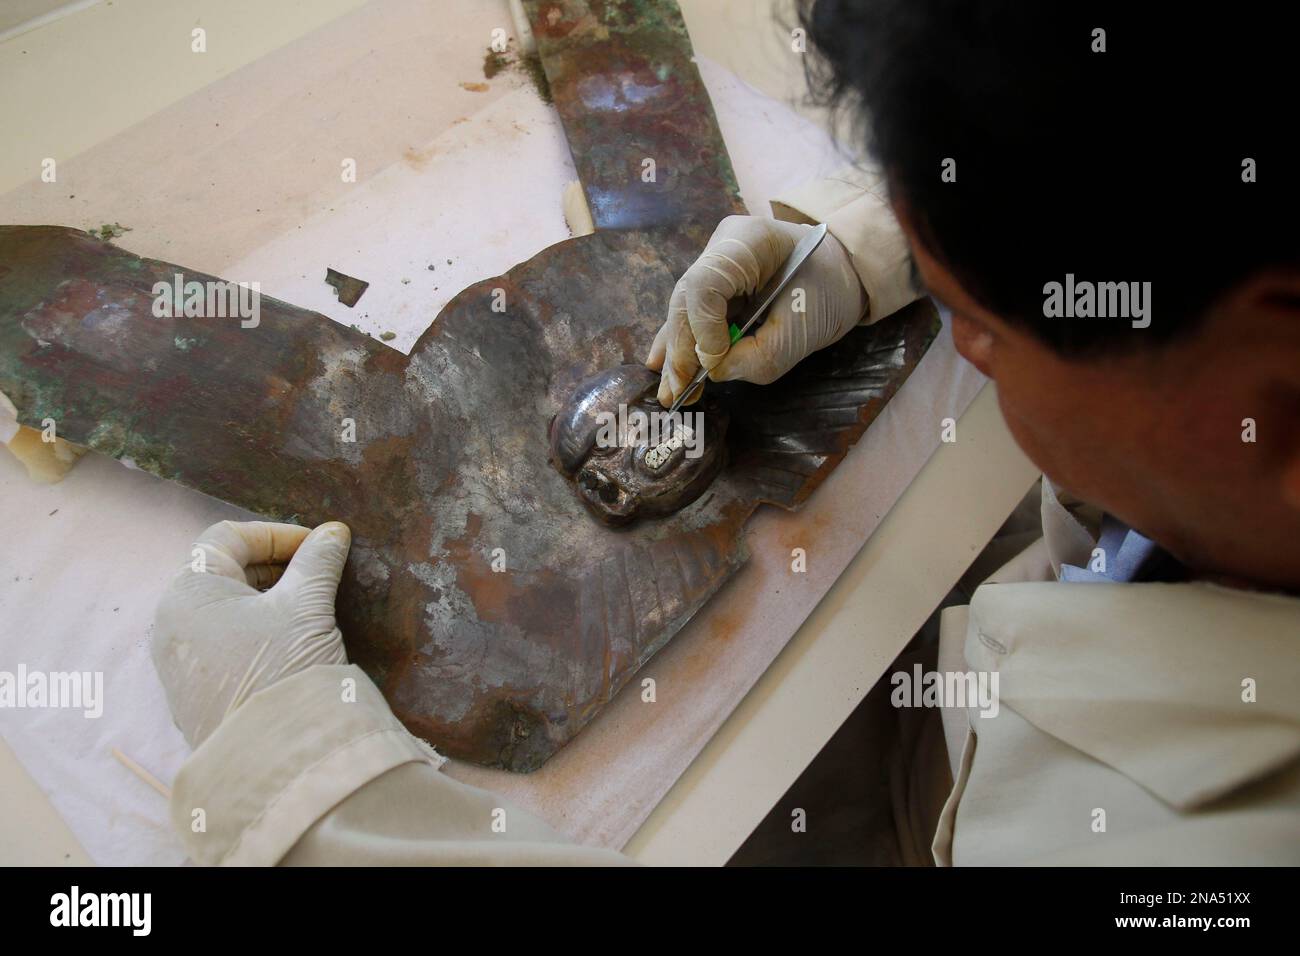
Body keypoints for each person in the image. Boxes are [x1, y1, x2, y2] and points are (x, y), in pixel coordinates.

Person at [151, 1, 1299, 865]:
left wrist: (304, 788)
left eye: (978, 325)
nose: (963, 344)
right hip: (974, 720)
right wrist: (865, 252)